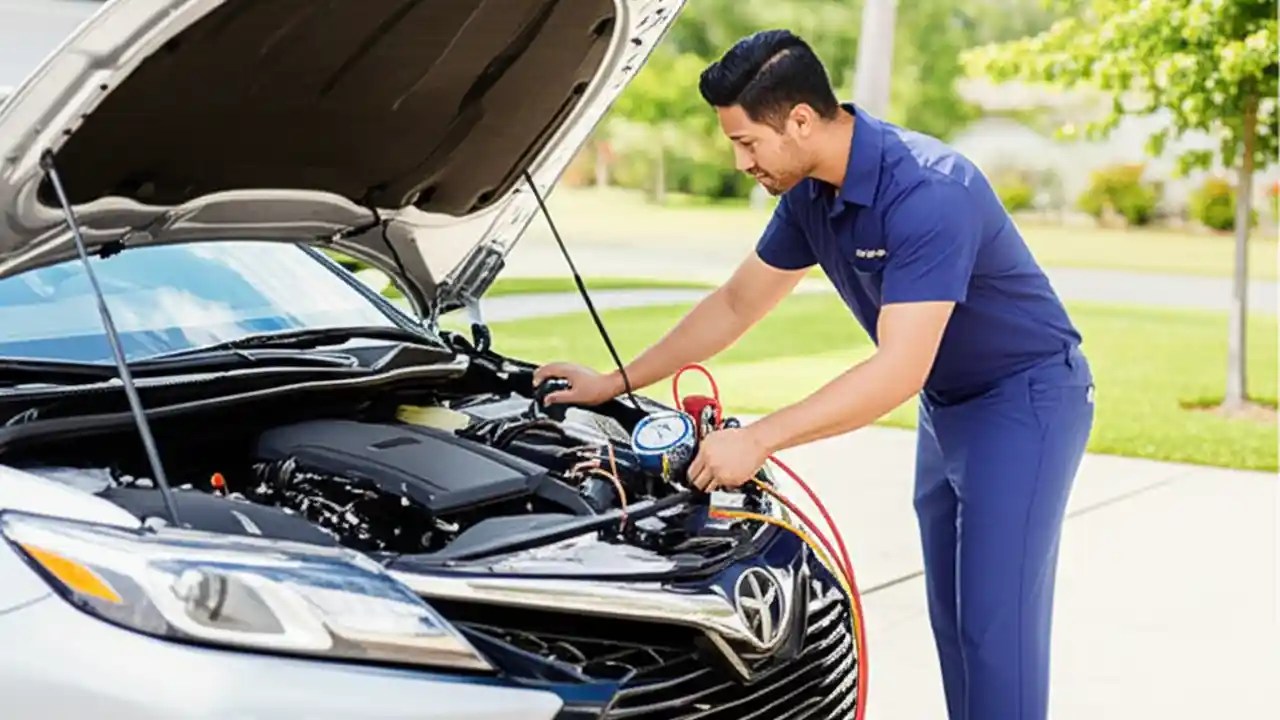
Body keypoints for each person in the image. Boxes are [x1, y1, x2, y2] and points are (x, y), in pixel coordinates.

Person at [534, 29, 1094, 720]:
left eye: (746, 143)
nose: (741, 161)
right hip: (948, 402)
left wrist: (760, 438)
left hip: (1026, 400)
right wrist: (610, 382)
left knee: (993, 629)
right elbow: (737, 304)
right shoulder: (808, 193)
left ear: (801, 120)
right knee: (953, 622)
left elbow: (896, 369)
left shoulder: (928, 192)